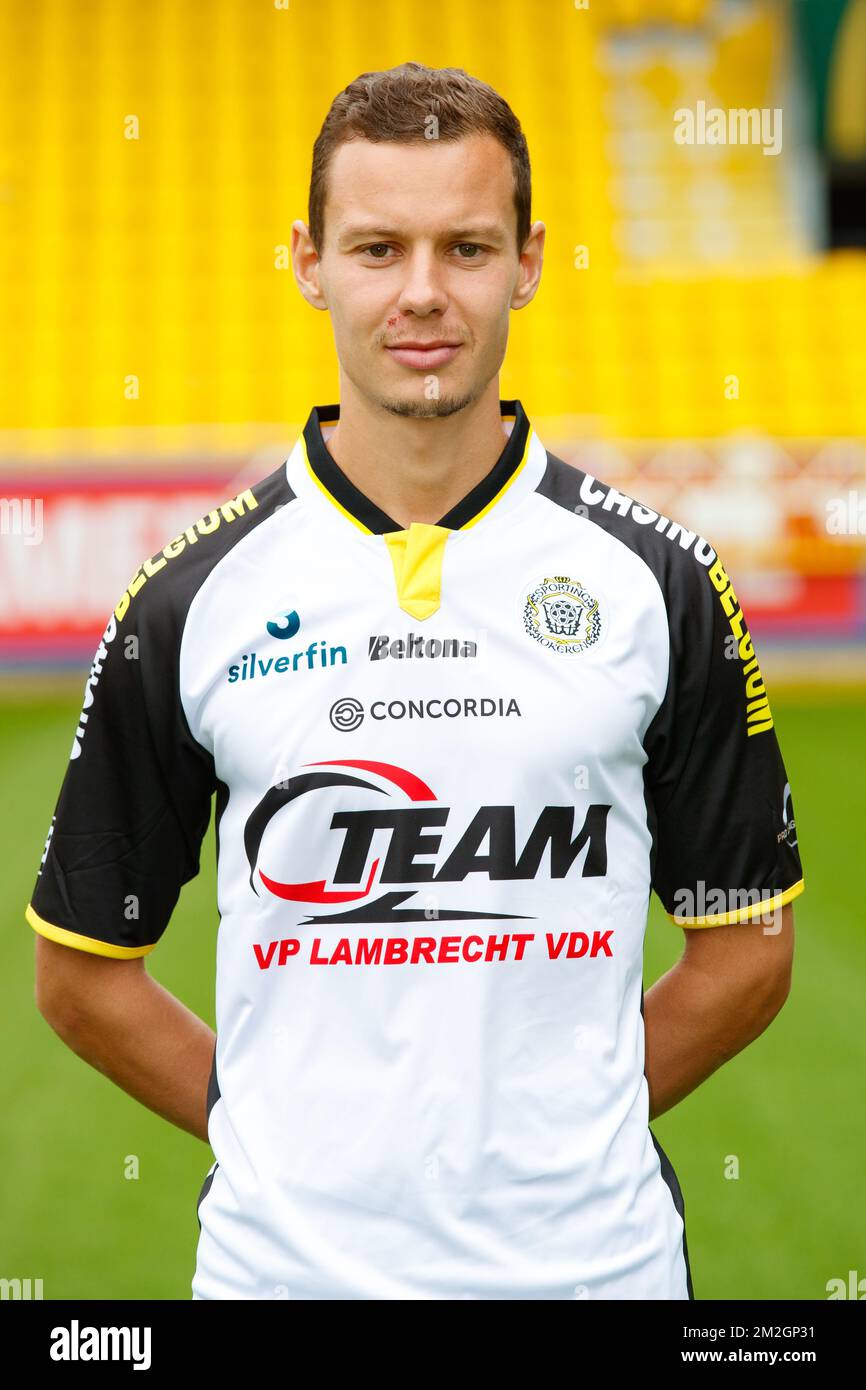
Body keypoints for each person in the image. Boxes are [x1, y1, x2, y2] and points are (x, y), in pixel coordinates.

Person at [27, 61, 804, 1301]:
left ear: (531, 260)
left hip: (594, 1275)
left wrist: (558, 1133)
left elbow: (746, 945)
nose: (424, 293)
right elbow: (81, 970)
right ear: (307, 261)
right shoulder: (187, 601)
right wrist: (284, 1144)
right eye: (378, 248)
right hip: (282, 1281)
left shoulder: (658, 582)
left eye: (467, 247)